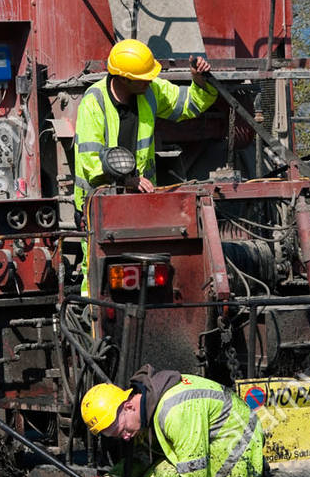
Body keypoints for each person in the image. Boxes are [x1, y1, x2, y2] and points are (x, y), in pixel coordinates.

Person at [72, 39, 217, 291]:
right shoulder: (93, 102)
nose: (150, 80)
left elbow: (188, 104)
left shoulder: (150, 91)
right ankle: (92, 321)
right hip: (98, 205)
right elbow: (91, 162)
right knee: (98, 274)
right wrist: (128, 180)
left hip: (140, 203)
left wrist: (200, 81)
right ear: (124, 78)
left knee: (146, 274)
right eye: (144, 78)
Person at [79, 365, 264, 477]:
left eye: (122, 431)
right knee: (152, 476)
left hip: (239, 446)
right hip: (221, 440)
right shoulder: (147, 402)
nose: (125, 437)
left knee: (168, 476)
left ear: (127, 406)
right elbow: (142, 455)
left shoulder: (174, 412)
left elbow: (194, 474)